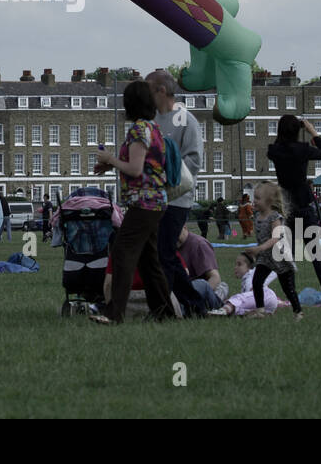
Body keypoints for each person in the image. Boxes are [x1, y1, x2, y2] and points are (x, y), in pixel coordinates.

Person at [90, 80, 174, 325]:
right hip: (156, 201)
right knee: (149, 261)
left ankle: (114, 313)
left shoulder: (138, 129)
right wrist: (112, 164)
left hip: (144, 203)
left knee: (122, 252)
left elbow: (136, 170)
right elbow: (146, 165)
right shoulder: (153, 128)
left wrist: (110, 159)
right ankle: (164, 312)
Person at [146, 69, 207, 317]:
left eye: (148, 89)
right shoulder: (150, 120)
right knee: (165, 255)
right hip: (153, 198)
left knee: (163, 254)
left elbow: (193, 160)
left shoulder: (186, 120)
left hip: (176, 199)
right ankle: (195, 305)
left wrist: (166, 178)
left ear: (161, 90)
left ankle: (163, 310)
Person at [267, 114, 321, 294]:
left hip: (285, 206)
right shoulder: (303, 149)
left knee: (288, 254)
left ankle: (291, 293)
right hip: (303, 205)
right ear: (297, 131)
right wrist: (311, 130)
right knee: (315, 253)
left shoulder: (274, 150)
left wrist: (283, 135)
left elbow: (277, 145)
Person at [241, 181, 303, 320]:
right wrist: (258, 252)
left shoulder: (275, 217)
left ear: (268, 201)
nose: (254, 201)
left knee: (288, 287)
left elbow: (275, 238)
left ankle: (298, 312)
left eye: (257, 198)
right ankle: (260, 310)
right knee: (257, 281)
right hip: (265, 257)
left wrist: (259, 248)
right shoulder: (257, 217)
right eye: (254, 198)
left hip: (279, 256)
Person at [211, 251, 281, 316]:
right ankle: (256, 314)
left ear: (250, 267)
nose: (235, 267)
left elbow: (273, 270)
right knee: (239, 307)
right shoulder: (245, 282)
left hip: (266, 296)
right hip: (266, 304)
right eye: (235, 264)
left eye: (239, 264)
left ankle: (223, 310)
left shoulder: (253, 273)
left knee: (238, 298)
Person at [177, 226, 227, 310]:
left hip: (195, 292)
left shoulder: (199, 244)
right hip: (179, 290)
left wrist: (196, 298)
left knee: (204, 284)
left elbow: (215, 277)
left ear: (184, 227)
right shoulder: (166, 246)